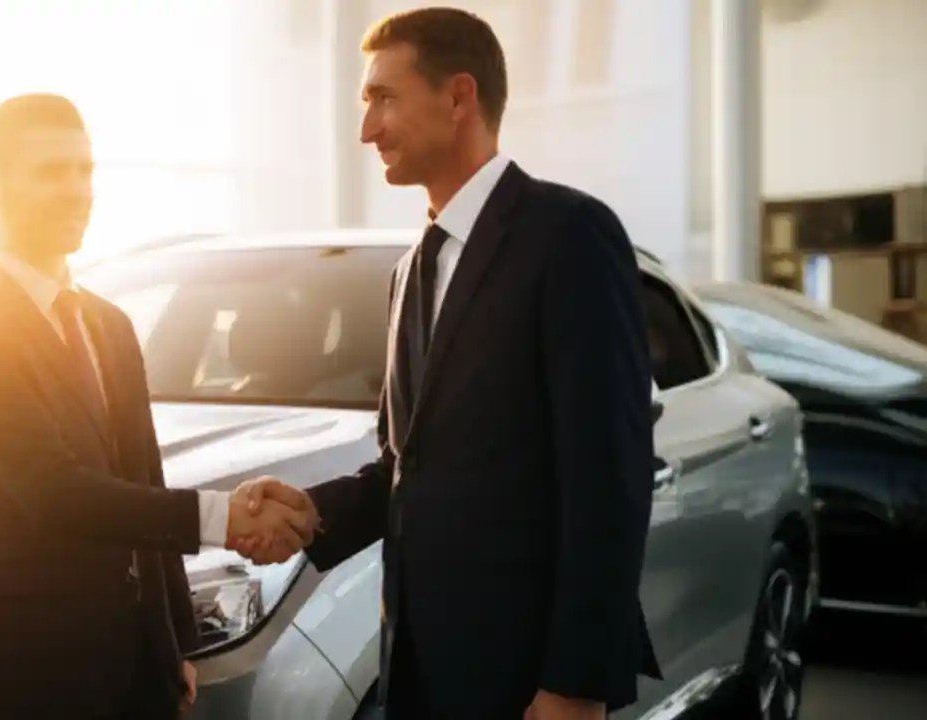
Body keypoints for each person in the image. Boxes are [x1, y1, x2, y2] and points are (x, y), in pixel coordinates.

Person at [236, 8, 662, 719]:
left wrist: (575, 684)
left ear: (459, 97)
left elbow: (608, 482)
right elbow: (409, 467)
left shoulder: (570, 237)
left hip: (527, 680)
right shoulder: (410, 271)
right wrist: (314, 513)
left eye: (383, 98)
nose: (366, 129)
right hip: (418, 670)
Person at [0, 93, 318, 720]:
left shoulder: (108, 325)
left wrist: (174, 645)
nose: (79, 190)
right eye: (53, 172)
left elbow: (141, 476)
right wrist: (224, 517)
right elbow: (54, 492)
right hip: (30, 671)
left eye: (85, 170)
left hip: (135, 670)